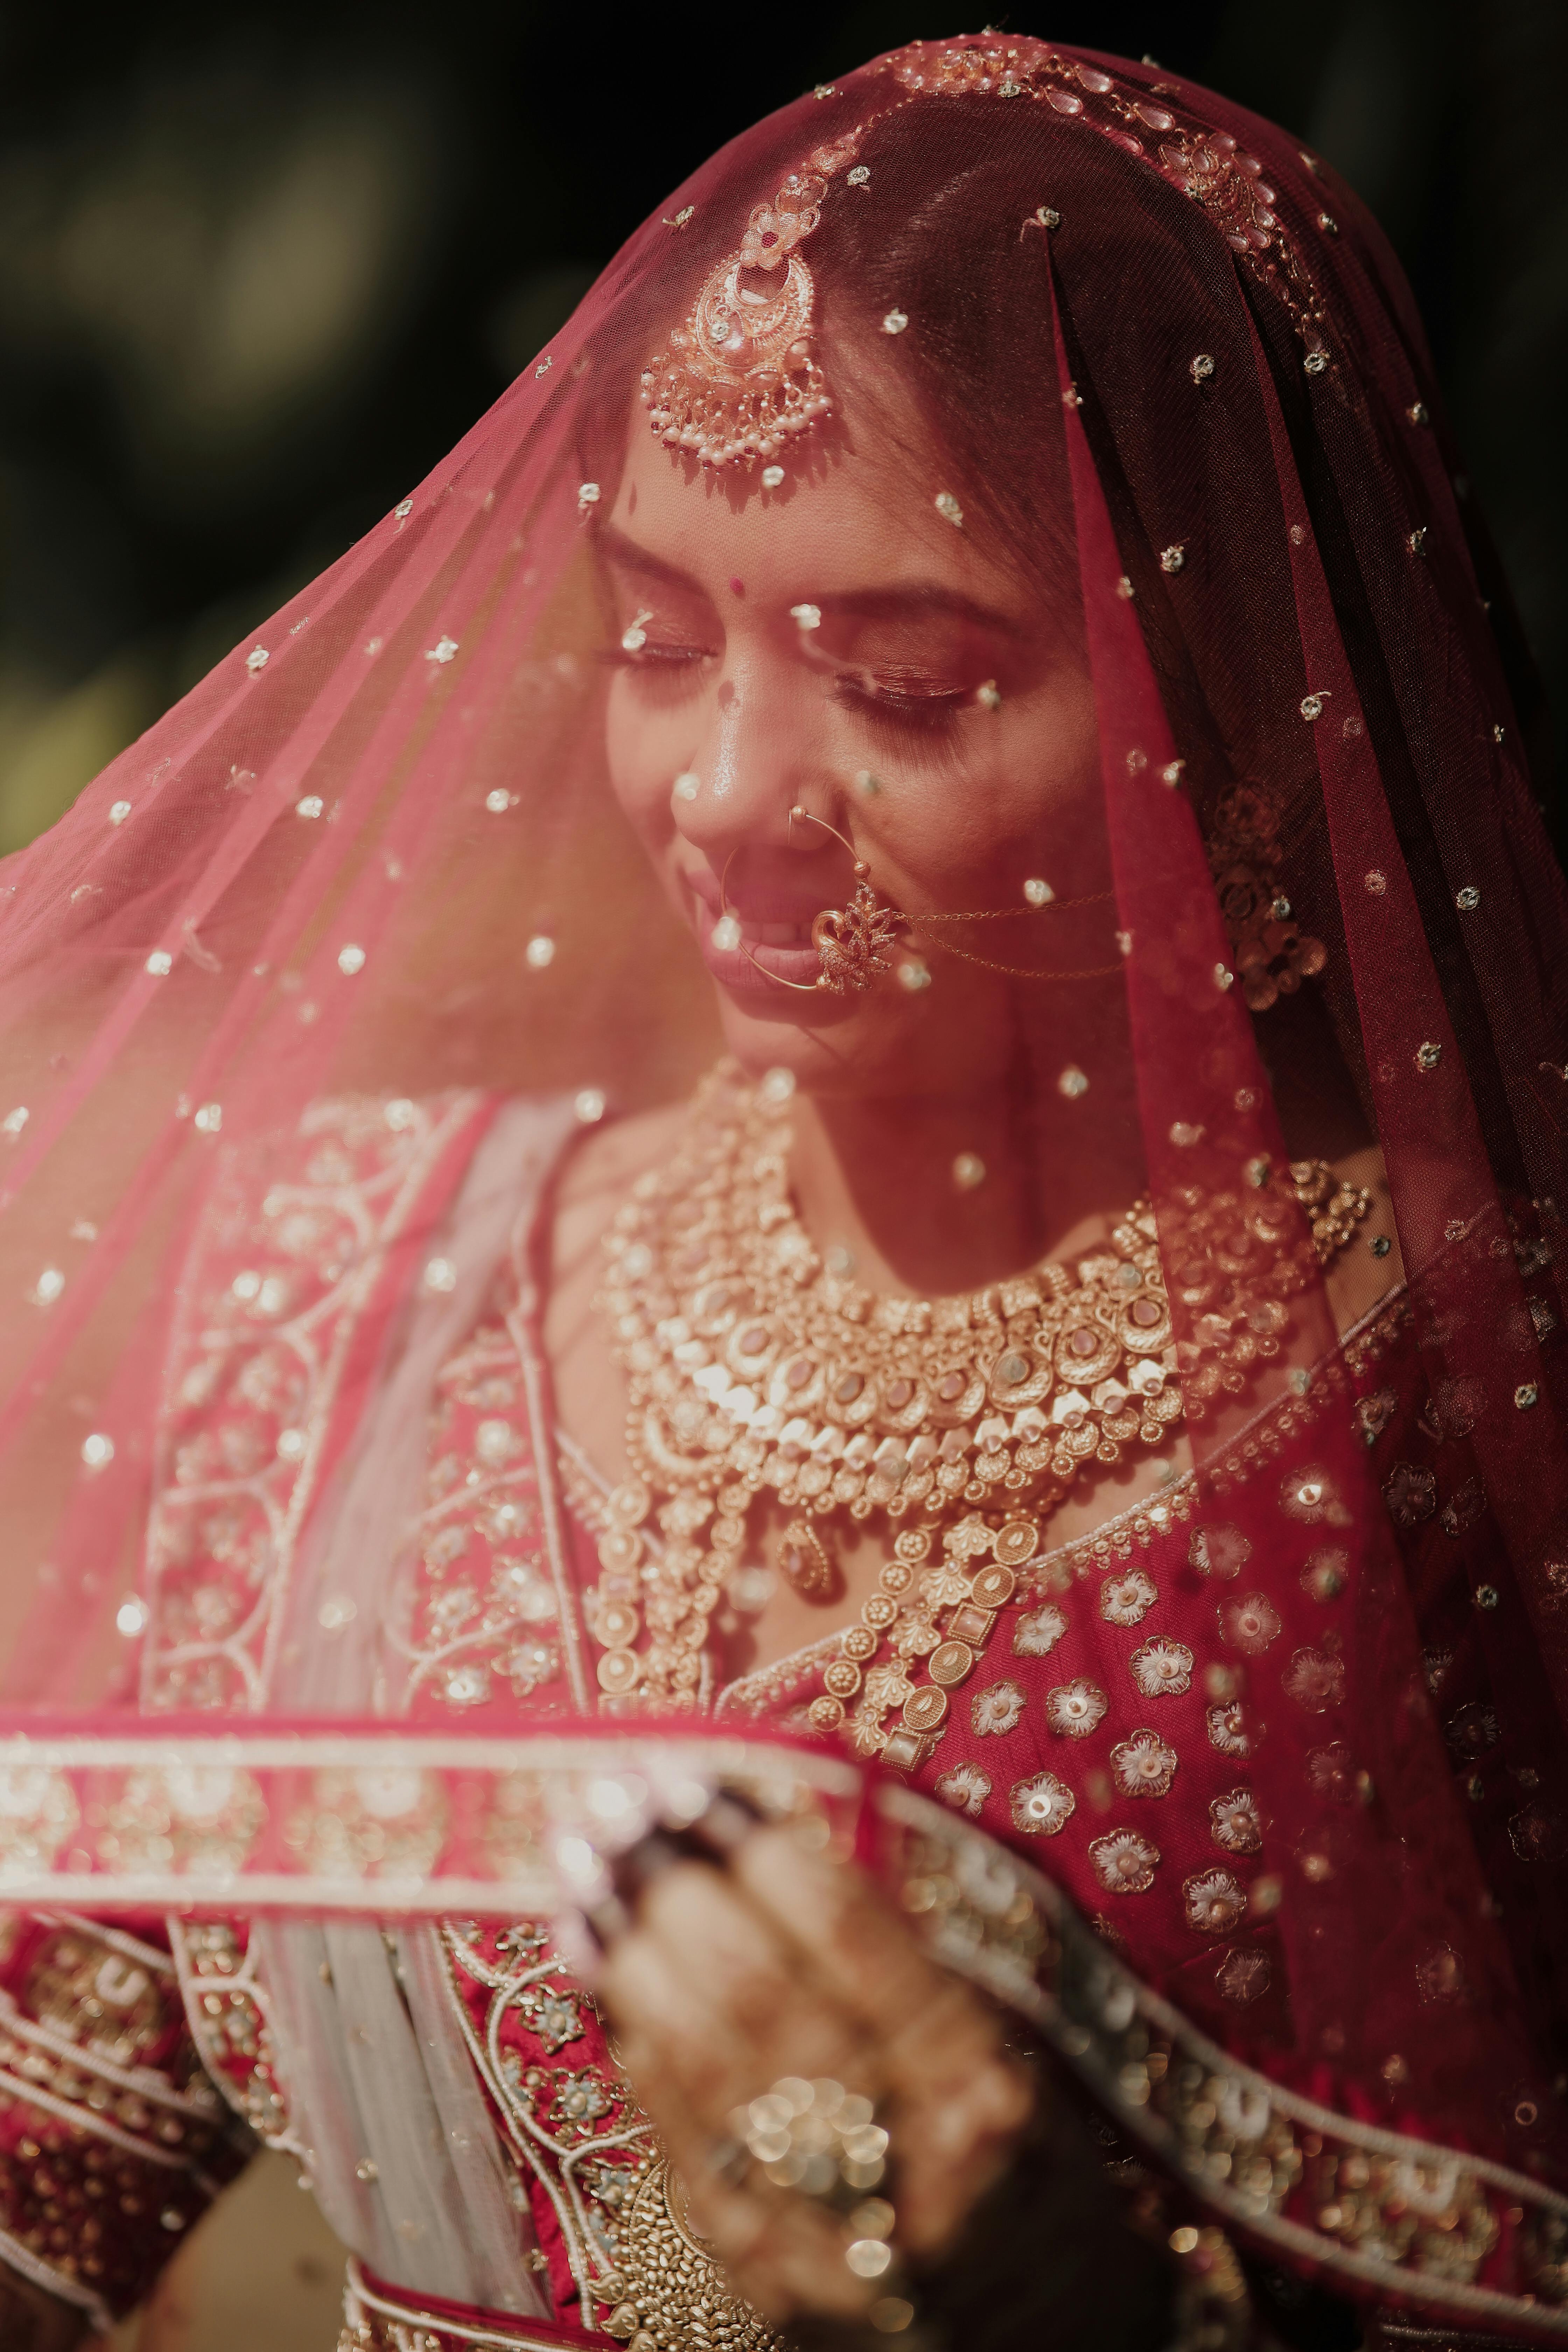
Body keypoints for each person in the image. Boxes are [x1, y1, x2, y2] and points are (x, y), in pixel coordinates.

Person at [0, 32, 1563, 2352]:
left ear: (1239, 745)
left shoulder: (1444, 1408)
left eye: (909, 687)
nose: (724, 791)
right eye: (652, 640)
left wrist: (1072, 2296)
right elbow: (50, 2167)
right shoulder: (376, 1293)